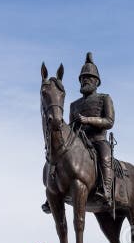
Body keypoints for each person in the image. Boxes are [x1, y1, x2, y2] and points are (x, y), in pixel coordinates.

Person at [42, 52, 115, 213]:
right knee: (57, 155)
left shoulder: (105, 98)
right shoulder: (74, 105)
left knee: (105, 154)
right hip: (78, 142)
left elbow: (109, 121)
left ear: (96, 81)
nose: (84, 80)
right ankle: (51, 193)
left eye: (88, 77)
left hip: (97, 139)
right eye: (82, 78)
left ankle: (106, 190)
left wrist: (87, 120)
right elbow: (71, 126)